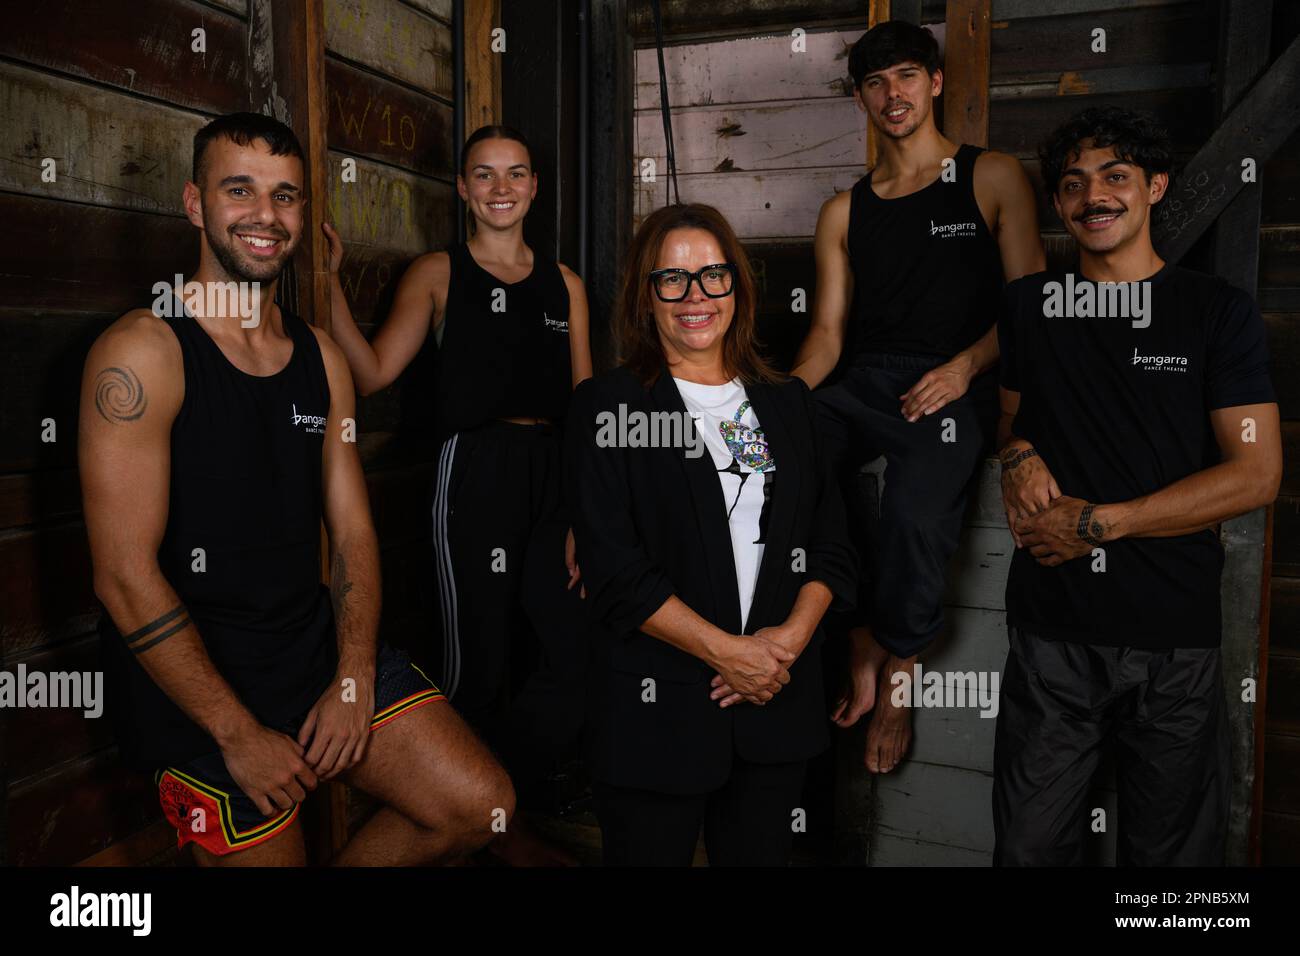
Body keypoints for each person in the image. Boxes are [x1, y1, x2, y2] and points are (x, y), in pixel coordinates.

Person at [81, 112, 514, 866]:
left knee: (484, 807)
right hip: (198, 691)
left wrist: (351, 676)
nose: (265, 215)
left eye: (286, 196)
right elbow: (123, 576)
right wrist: (236, 731)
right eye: (239, 190)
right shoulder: (142, 353)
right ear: (194, 203)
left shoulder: (320, 358)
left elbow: (350, 533)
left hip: (309, 651)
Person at [994, 106, 1281, 865]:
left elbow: (1257, 473)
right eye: (1074, 183)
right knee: (1028, 850)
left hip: (1173, 639)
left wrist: (1103, 523)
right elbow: (1013, 421)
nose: (1095, 195)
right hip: (1051, 636)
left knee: (1172, 867)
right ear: (1058, 204)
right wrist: (1015, 453)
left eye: (1116, 176)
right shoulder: (1031, 307)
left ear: (1155, 187)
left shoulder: (1215, 311)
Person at [323, 125, 592, 865]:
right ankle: (478, 828)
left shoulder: (564, 284)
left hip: (553, 476)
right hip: (471, 472)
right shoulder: (439, 273)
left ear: (534, 187)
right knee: (473, 656)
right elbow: (373, 372)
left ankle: (505, 809)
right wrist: (331, 283)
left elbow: (587, 408)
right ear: (464, 190)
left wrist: (582, 515)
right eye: (485, 174)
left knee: (567, 649)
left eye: (516, 173)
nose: (501, 187)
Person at [566, 203, 857, 866]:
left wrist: (785, 644)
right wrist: (729, 653)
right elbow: (614, 572)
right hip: (655, 715)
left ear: (737, 287)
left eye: (712, 276)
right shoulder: (609, 406)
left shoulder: (789, 404)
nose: (695, 296)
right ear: (647, 295)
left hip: (776, 707)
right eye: (672, 279)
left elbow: (833, 547)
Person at [791, 20, 1045, 774]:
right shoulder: (844, 211)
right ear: (861, 98)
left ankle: (897, 666)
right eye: (874, 82)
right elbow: (828, 336)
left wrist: (967, 369)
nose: (891, 94)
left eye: (905, 76)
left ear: (934, 83)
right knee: (785, 459)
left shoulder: (989, 176)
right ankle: (848, 630)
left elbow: (1026, 307)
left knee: (910, 508)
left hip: (955, 381)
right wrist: (778, 405)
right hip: (864, 379)